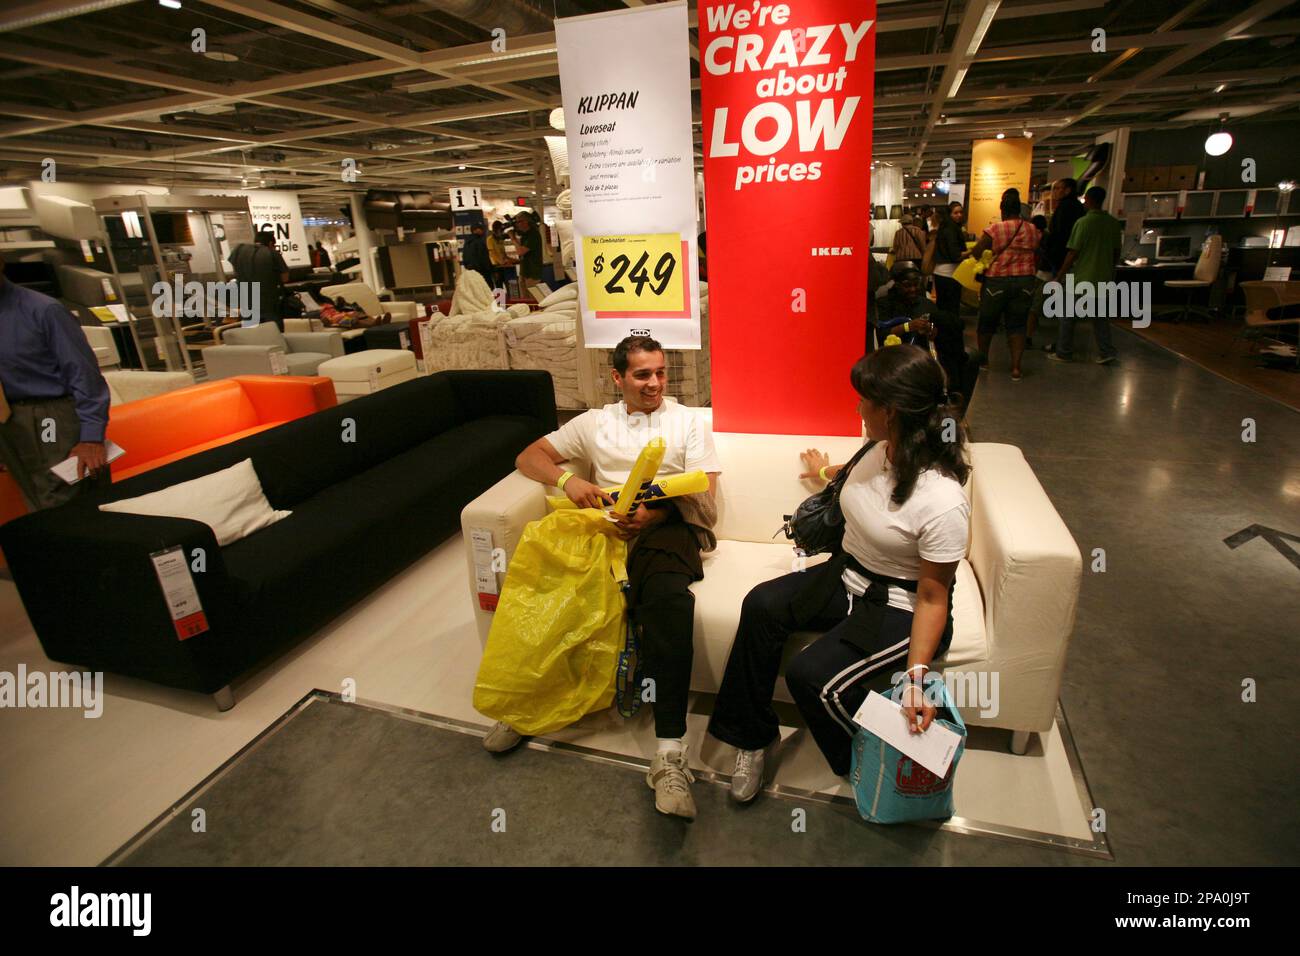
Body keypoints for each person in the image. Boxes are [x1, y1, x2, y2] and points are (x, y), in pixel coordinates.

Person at [708, 345, 969, 801]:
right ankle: (752, 737)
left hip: (898, 603)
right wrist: (822, 470)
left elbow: (932, 597)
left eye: (864, 400)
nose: (856, 407)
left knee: (813, 677)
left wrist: (916, 678)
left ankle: (876, 769)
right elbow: (857, 480)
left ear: (891, 411)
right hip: (845, 574)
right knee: (761, 604)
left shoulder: (942, 501)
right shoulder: (878, 447)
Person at [486, 335, 722, 820]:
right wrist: (567, 480)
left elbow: (706, 495)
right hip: (602, 524)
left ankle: (670, 751)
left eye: (660, 372)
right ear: (618, 378)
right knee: (549, 587)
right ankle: (528, 706)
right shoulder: (595, 422)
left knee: (668, 602)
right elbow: (527, 457)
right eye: (642, 375)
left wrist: (653, 516)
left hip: (665, 525)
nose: (655, 383)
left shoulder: (688, 422)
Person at [0, 252, 112, 511]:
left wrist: (91, 438)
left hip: (48, 419)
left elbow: (84, 375)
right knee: (36, 502)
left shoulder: (43, 310)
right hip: (8, 423)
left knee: (63, 496)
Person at [966, 188, 1041, 381]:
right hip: (1025, 280)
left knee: (987, 322)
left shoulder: (995, 229)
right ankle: (1016, 368)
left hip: (997, 281)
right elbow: (1037, 253)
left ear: (1002, 210)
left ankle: (983, 361)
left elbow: (977, 251)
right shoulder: (1032, 229)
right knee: (1017, 324)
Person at [1049, 186, 1122, 365]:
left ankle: (1064, 352)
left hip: (1081, 278)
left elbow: (1072, 252)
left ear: (1088, 200)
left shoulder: (1083, 223)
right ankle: (1106, 352)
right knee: (1100, 320)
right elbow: (1116, 253)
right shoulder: (1113, 223)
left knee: (1067, 317)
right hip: (1103, 279)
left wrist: (1060, 275)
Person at [873, 263, 967, 402]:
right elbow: (881, 334)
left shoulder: (926, 304)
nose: (913, 289)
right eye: (907, 285)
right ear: (897, 285)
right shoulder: (884, 304)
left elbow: (937, 333)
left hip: (923, 352)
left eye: (916, 285)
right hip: (895, 355)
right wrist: (908, 326)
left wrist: (931, 330)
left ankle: (950, 402)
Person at [228, 229, 289, 331]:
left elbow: (235, 271)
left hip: (246, 300)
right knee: (274, 332)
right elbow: (285, 278)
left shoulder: (239, 251)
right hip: (268, 301)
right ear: (270, 243)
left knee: (252, 333)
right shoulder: (272, 253)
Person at [930, 202, 967, 319]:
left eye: (961, 212)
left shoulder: (945, 227)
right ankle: (950, 333)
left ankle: (941, 333)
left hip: (941, 272)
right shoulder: (952, 230)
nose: (959, 215)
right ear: (949, 214)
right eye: (955, 213)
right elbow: (955, 255)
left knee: (942, 306)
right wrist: (973, 251)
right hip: (950, 274)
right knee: (951, 308)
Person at [1026, 214, 1053, 346]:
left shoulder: (1042, 239)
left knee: (1034, 307)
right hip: (1044, 274)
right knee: (1034, 305)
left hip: (1043, 275)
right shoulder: (1048, 238)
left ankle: (1028, 337)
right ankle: (1030, 331)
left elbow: (1042, 257)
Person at [513, 212, 543, 295]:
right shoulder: (525, 235)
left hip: (533, 274)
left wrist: (513, 238)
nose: (517, 224)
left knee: (534, 299)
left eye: (519, 221)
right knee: (526, 300)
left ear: (526, 221)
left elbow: (520, 251)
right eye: (516, 222)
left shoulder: (533, 234)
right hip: (525, 272)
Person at [486, 220, 512, 290]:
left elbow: (503, 253)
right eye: (501, 230)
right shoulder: (490, 239)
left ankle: (508, 300)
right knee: (499, 287)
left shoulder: (500, 240)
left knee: (508, 285)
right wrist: (501, 262)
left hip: (504, 266)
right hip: (496, 267)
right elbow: (492, 254)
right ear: (496, 230)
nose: (502, 232)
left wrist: (509, 260)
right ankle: (500, 301)